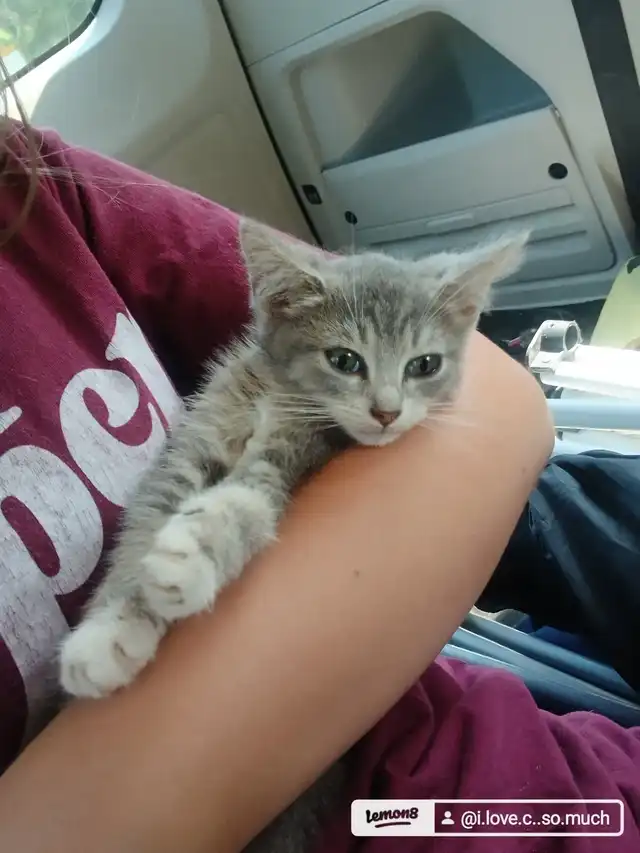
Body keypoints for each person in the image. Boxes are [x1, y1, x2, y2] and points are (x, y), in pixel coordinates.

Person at [0, 103, 638, 853]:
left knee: (581, 497)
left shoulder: (35, 184)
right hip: (392, 810)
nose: (387, 404)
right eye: (352, 363)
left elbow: (505, 402)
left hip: (449, 726)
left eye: (420, 367)